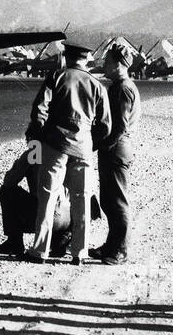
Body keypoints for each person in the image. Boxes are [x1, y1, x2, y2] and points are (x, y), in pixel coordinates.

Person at [23, 40, 110, 264]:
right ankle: (79, 253)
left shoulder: (57, 77)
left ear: (67, 56)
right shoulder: (97, 85)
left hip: (55, 146)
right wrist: (90, 144)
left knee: (48, 197)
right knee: (81, 200)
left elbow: (39, 110)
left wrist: (40, 135)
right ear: (87, 58)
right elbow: (105, 125)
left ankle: (40, 250)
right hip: (83, 149)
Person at [0, 146, 101, 258]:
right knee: (84, 196)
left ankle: (14, 242)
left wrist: (21, 164)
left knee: (6, 191)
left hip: (47, 215)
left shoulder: (35, 152)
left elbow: (9, 181)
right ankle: (64, 236)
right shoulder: (75, 148)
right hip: (72, 216)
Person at [89, 45, 142, 264]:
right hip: (117, 148)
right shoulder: (123, 86)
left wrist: (101, 145)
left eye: (108, 61)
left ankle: (120, 249)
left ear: (119, 65)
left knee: (117, 201)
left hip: (116, 148)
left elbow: (117, 127)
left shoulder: (121, 89)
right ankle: (111, 245)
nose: (104, 65)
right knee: (109, 200)